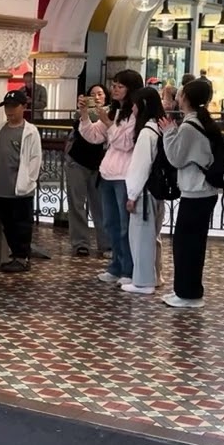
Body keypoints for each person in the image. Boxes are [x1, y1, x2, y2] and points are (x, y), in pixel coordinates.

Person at [78, 69, 145, 287]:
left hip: (125, 175)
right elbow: (94, 136)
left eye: (120, 86)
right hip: (108, 173)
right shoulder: (114, 112)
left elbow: (126, 143)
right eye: (114, 85)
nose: (114, 89)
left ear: (131, 89)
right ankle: (115, 265)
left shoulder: (136, 114)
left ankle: (128, 268)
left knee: (125, 225)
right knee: (110, 223)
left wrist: (108, 123)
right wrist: (85, 115)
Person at [158, 79, 220, 308]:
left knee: (186, 245)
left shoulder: (189, 126)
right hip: (204, 191)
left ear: (186, 98)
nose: (177, 97)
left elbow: (176, 157)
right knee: (192, 244)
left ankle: (189, 294)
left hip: (196, 192)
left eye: (180, 94)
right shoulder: (204, 122)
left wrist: (168, 133)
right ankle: (185, 290)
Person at [119, 87, 166, 295]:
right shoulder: (158, 128)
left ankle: (143, 282)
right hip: (155, 192)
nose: (133, 108)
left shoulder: (146, 132)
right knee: (151, 237)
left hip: (144, 193)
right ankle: (152, 276)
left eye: (136, 104)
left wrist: (131, 195)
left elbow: (140, 166)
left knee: (141, 238)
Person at [0, 90, 43, 273]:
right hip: (2, 186)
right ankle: (15, 253)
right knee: (8, 223)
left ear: (24, 107)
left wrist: (29, 180)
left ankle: (23, 256)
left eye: (13, 107)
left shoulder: (30, 132)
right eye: (7, 107)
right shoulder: (1, 129)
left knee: (22, 223)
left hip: (21, 187)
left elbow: (36, 158)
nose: (9, 111)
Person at [65, 84, 110, 258]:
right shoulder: (81, 114)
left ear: (105, 97)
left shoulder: (110, 114)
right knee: (77, 204)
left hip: (99, 165)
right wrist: (83, 111)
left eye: (100, 94)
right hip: (78, 161)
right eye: (93, 94)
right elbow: (81, 130)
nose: (97, 97)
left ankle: (105, 243)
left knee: (100, 205)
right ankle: (80, 242)